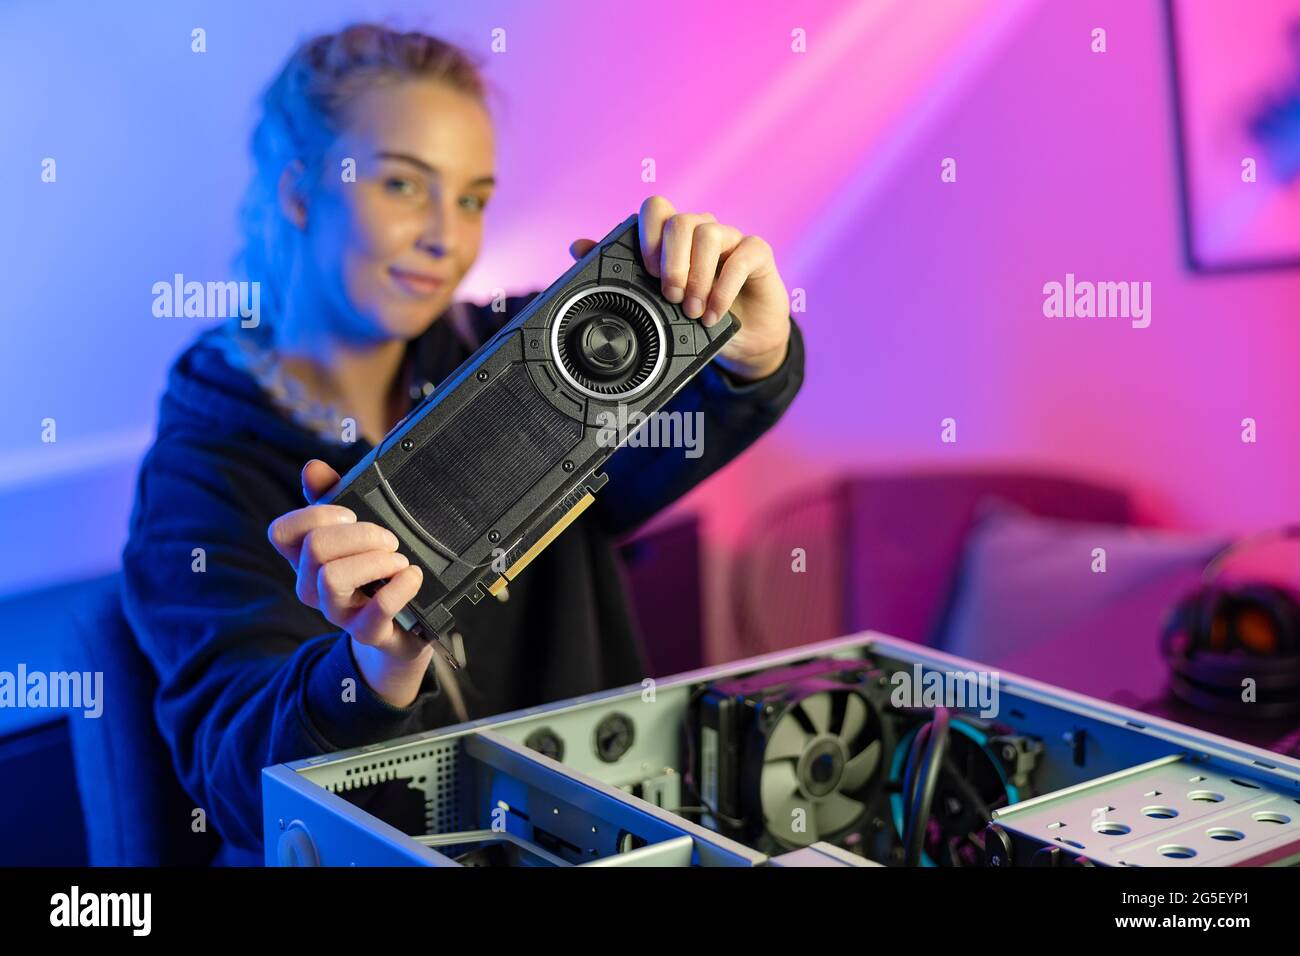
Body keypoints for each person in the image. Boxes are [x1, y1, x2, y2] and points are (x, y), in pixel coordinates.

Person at [121, 23, 805, 865]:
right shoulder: (205, 470)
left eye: (473, 197)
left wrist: (750, 345)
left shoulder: (533, 358)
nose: (447, 235)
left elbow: (676, 427)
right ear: (300, 193)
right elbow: (236, 781)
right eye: (405, 185)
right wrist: (369, 673)